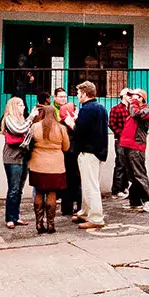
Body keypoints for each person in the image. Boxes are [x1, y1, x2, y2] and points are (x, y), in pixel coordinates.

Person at [28, 103, 70, 233]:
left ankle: (39, 223)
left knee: (39, 192)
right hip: (56, 166)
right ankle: (51, 224)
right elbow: (66, 147)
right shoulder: (61, 128)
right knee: (52, 193)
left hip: (37, 164)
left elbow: (29, 143)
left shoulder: (35, 127)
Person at [73, 81, 108, 229]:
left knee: (90, 185)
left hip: (88, 151)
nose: (77, 95)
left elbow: (80, 131)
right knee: (89, 183)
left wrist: (72, 122)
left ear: (85, 94)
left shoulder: (86, 109)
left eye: (78, 93)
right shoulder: (101, 107)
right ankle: (85, 211)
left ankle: (96, 218)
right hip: (98, 150)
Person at [118, 88, 149, 212]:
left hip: (136, 147)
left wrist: (133, 103)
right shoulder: (133, 109)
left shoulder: (147, 110)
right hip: (128, 146)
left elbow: (136, 114)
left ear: (141, 98)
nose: (131, 99)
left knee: (139, 174)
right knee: (131, 175)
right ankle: (135, 201)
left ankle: (148, 201)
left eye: (134, 96)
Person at [1, 96, 31, 228]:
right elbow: (19, 130)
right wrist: (30, 119)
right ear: (14, 106)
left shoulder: (22, 120)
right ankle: (10, 218)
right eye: (20, 105)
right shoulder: (9, 119)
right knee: (13, 189)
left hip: (23, 156)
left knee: (19, 189)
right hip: (12, 158)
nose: (23, 107)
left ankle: (16, 216)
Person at [53, 87, 81, 217]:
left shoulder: (62, 123)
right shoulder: (71, 123)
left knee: (68, 181)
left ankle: (67, 207)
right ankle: (76, 205)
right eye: (61, 96)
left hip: (66, 152)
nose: (63, 99)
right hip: (72, 153)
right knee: (76, 180)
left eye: (65, 96)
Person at [108, 89, 132, 199]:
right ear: (122, 96)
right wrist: (122, 134)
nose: (130, 97)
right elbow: (112, 124)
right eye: (128, 95)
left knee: (127, 164)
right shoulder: (116, 109)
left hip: (129, 140)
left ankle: (124, 187)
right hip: (120, 140)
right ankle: (117, 189)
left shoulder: (132, 109)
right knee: (120, 164)